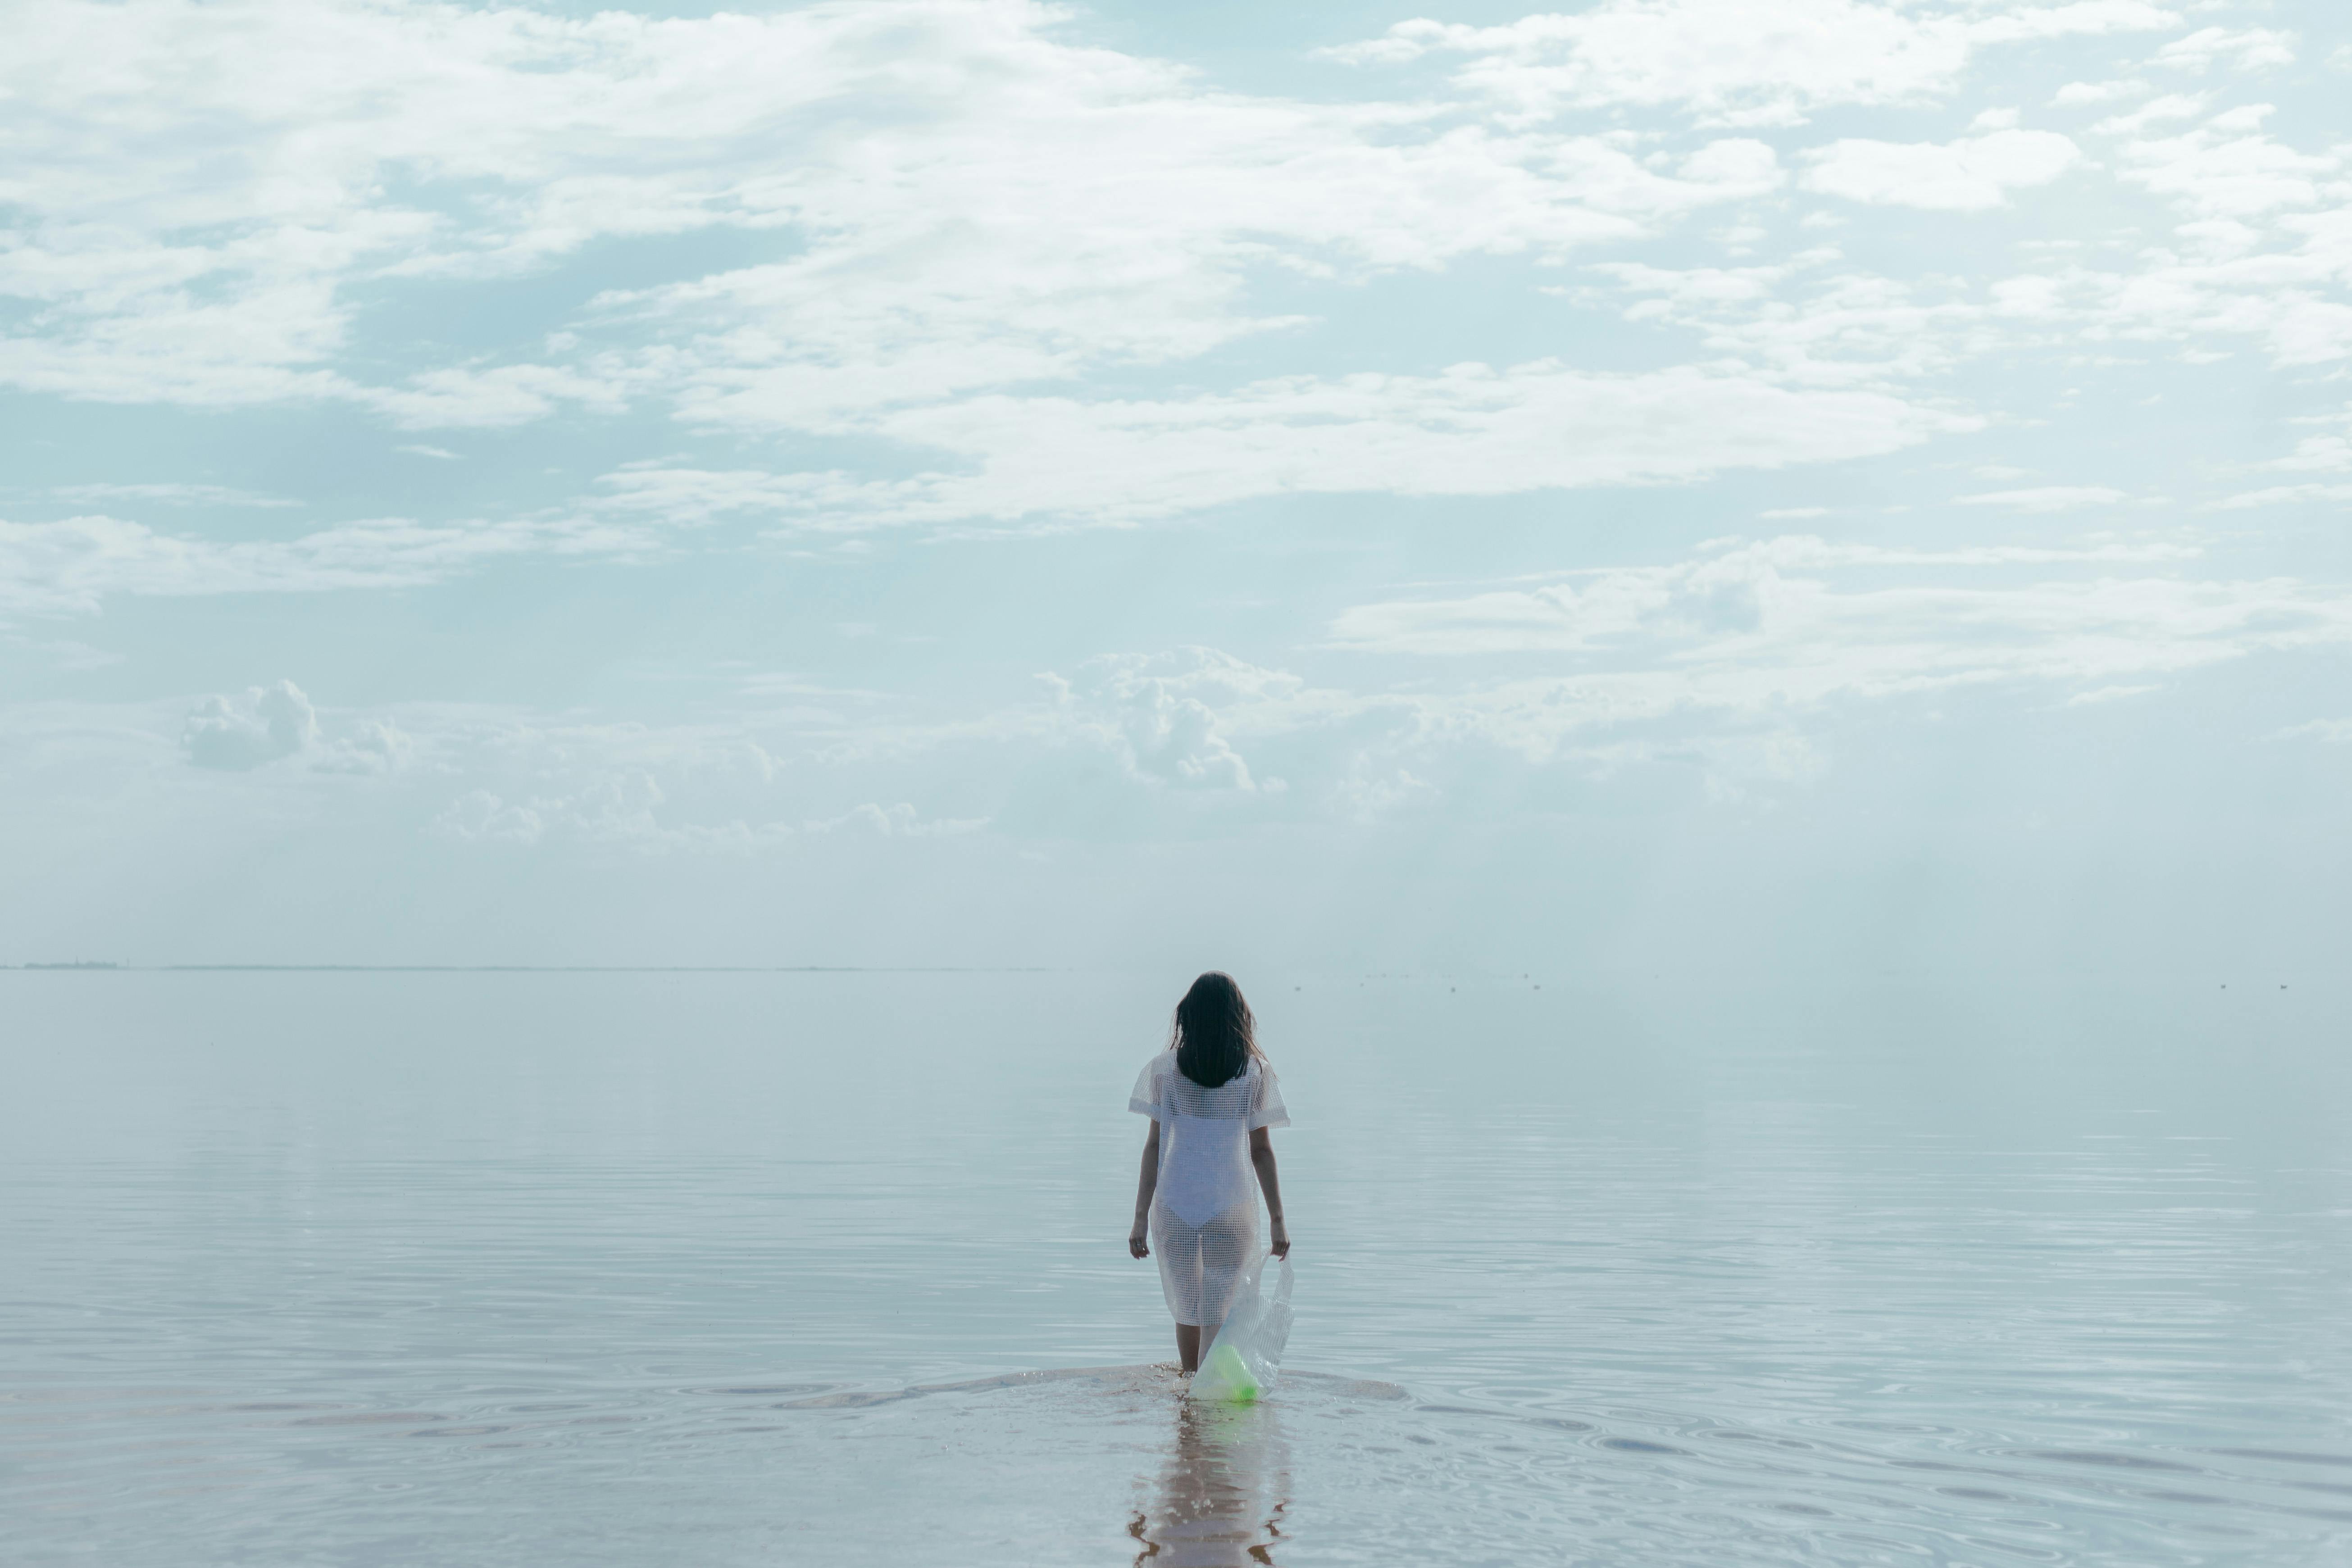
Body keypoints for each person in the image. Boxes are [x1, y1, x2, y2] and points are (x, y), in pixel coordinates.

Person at [1127, 972, 1291, 1374]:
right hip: (1230, 1206)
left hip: (1174, 1205)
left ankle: (1190, 1399)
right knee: (1219, 1308)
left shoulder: (1164, 1071)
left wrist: (1138, 1219)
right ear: (1238, 1017)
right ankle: (1210, 1400)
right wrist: (1277, 1221)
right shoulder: (1253, 1073)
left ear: (1189, 1016)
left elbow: (1153, 1147)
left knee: (1187, 1308)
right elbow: (1261, 1152)